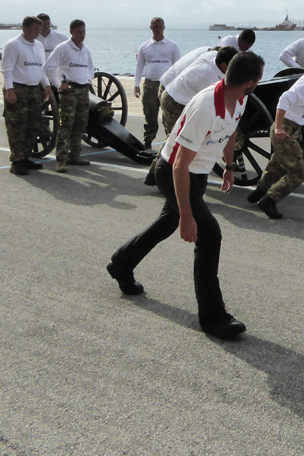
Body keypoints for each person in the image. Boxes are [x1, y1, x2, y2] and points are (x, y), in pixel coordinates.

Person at [107, 52, 265, 339]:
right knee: (210, 234)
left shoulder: (239, 98)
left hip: (198, 173)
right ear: (250, 82)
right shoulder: (207, 106)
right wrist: (188, 216)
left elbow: (230, 133)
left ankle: (122, 263)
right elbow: (179, 164)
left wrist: (229, 167)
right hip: (173, 172)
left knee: (167, 221)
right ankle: (213, 317)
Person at [246, 49, 304, 219]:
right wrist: (278, 127)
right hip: (285, 130)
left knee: (277, 164)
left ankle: (259, 191)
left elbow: (300, 103)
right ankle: (269, 200)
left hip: (293, 128)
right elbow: (284, 99)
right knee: (299, 173)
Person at [143, 47, 239, 186]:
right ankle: (160, 176)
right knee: (176, 140)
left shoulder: (213, 56)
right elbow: (213, 103)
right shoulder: (208, 77)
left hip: (183, 96)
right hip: (174, 101)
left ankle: (155, 175)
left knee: (173, 139)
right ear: (224, 65)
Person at [0, 16, 51, 175]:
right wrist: (10, 90)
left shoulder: (39, 46)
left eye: (39, 29)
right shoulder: (13, 45)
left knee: (33, 125)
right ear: (26, 29)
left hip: (34, 89)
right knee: (16, 127)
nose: (38, 32)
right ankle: (16, 161)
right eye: (35, 29)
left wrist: (47, 85)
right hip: (18, 88)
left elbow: (41, 68)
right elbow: (7, 69)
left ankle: (26, 156)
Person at [43, 19, 95, 173]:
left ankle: (75, 155)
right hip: (69, 91)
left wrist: (88, 80)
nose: (82, 35)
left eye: (84, 31)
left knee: (80, 125)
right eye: (79, 31)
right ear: (71, 32)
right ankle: (61, 160)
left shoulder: (85, 50)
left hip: (83, 91)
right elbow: (48, 68)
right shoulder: (63, 48)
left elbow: (91, 67)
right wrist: (59, 84)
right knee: (66, 125)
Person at [134, 17, 181, 149]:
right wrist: (136, 85)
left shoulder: (172, 45)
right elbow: (139, 66)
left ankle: (171, 145)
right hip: (150, 85)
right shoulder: (144, 46)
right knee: (150, 115)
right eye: (155, 27)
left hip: (167, 86)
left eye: (160, 27)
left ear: (164, 28)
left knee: (169, 117)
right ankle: (148, 143)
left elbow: (178, 67)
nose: (158, 30)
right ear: (151, 28)